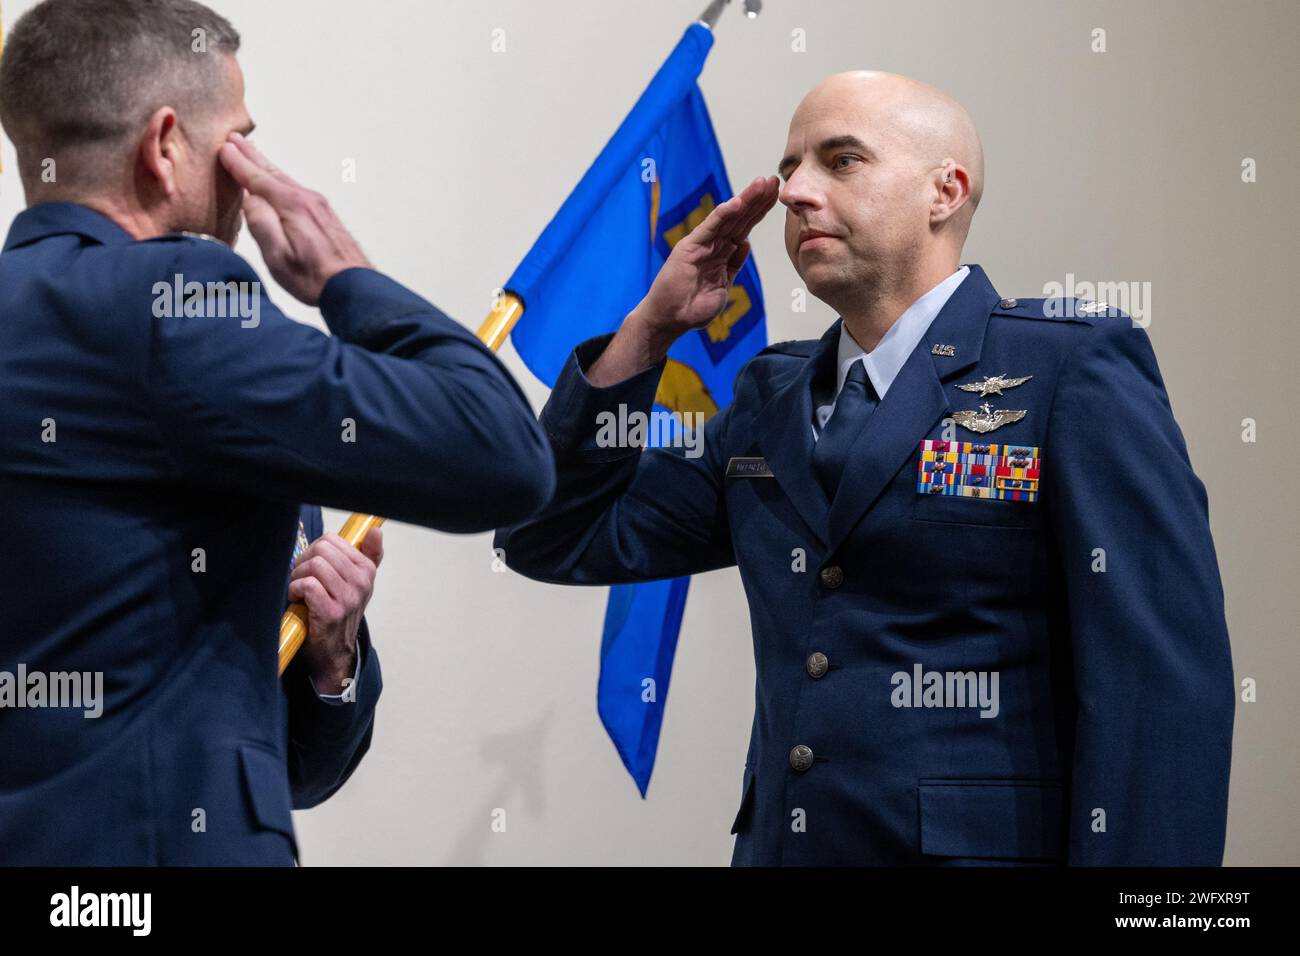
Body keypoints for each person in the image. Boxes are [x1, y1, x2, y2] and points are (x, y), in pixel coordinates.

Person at [495, 71, 1235, 865]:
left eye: (840, 161)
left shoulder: (1067, 369)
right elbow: (548, 537)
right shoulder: (767, 400)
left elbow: (1162, 694)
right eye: (789, 170)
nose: (796, 192)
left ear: (944, 191)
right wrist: (647, 332)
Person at [0, 0, 554, 865]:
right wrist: (346, 276)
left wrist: (330, 663)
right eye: (241, 142)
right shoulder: (174, 308)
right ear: (165, 144)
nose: (251, 171)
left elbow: (282, 759)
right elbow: (502, 454)